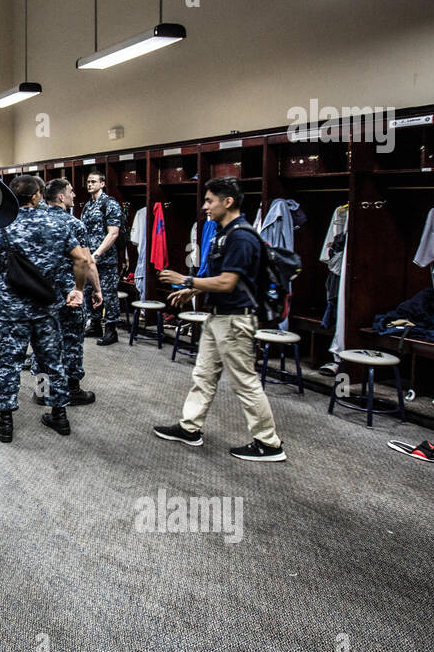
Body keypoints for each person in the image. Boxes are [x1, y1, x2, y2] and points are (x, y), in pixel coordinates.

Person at [154, 176, 287, 462]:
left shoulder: (241, 236)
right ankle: (190, 428)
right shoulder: (223, 233)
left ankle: (269, 443)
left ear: (228, 202)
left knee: (245, 382)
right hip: (218, 318)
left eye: (210, 201)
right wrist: (192, 290)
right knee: (203, 375)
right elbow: (218, 277)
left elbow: (228, 282)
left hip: (236, 321)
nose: (205, 206)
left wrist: (185, 279)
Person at [0, 176, 89, 442]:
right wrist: (78, 289)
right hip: (46, 310)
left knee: (7, 364)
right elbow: (81, 259)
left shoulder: (0, 228)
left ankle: (6, 422)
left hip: (11, 313)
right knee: (51, 362)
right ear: (37, 196)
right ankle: (58, 414)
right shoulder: (57, 226)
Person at [42, 178, 102, 406]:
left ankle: (42, 391)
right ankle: (72, 389)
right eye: (70, 191)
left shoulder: (37, 222)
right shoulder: (74, 224)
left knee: (42, 343)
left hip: (42, 294)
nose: (74, 195)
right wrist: (97, 290)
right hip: (70, 294)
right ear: (61, 197)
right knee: (72, 341)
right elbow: (87, 262)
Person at [80, 172, 123, 345]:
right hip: (89, 260)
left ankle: (111, 329)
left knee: (108, 294)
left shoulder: (110, 204)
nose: (89, 185)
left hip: (105, 260)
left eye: (93, 182)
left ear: (102, 184)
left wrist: (97, 254)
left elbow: (113, 233)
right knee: (88, 292)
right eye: (88, 182)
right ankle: (95, 324)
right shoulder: (88, 205)